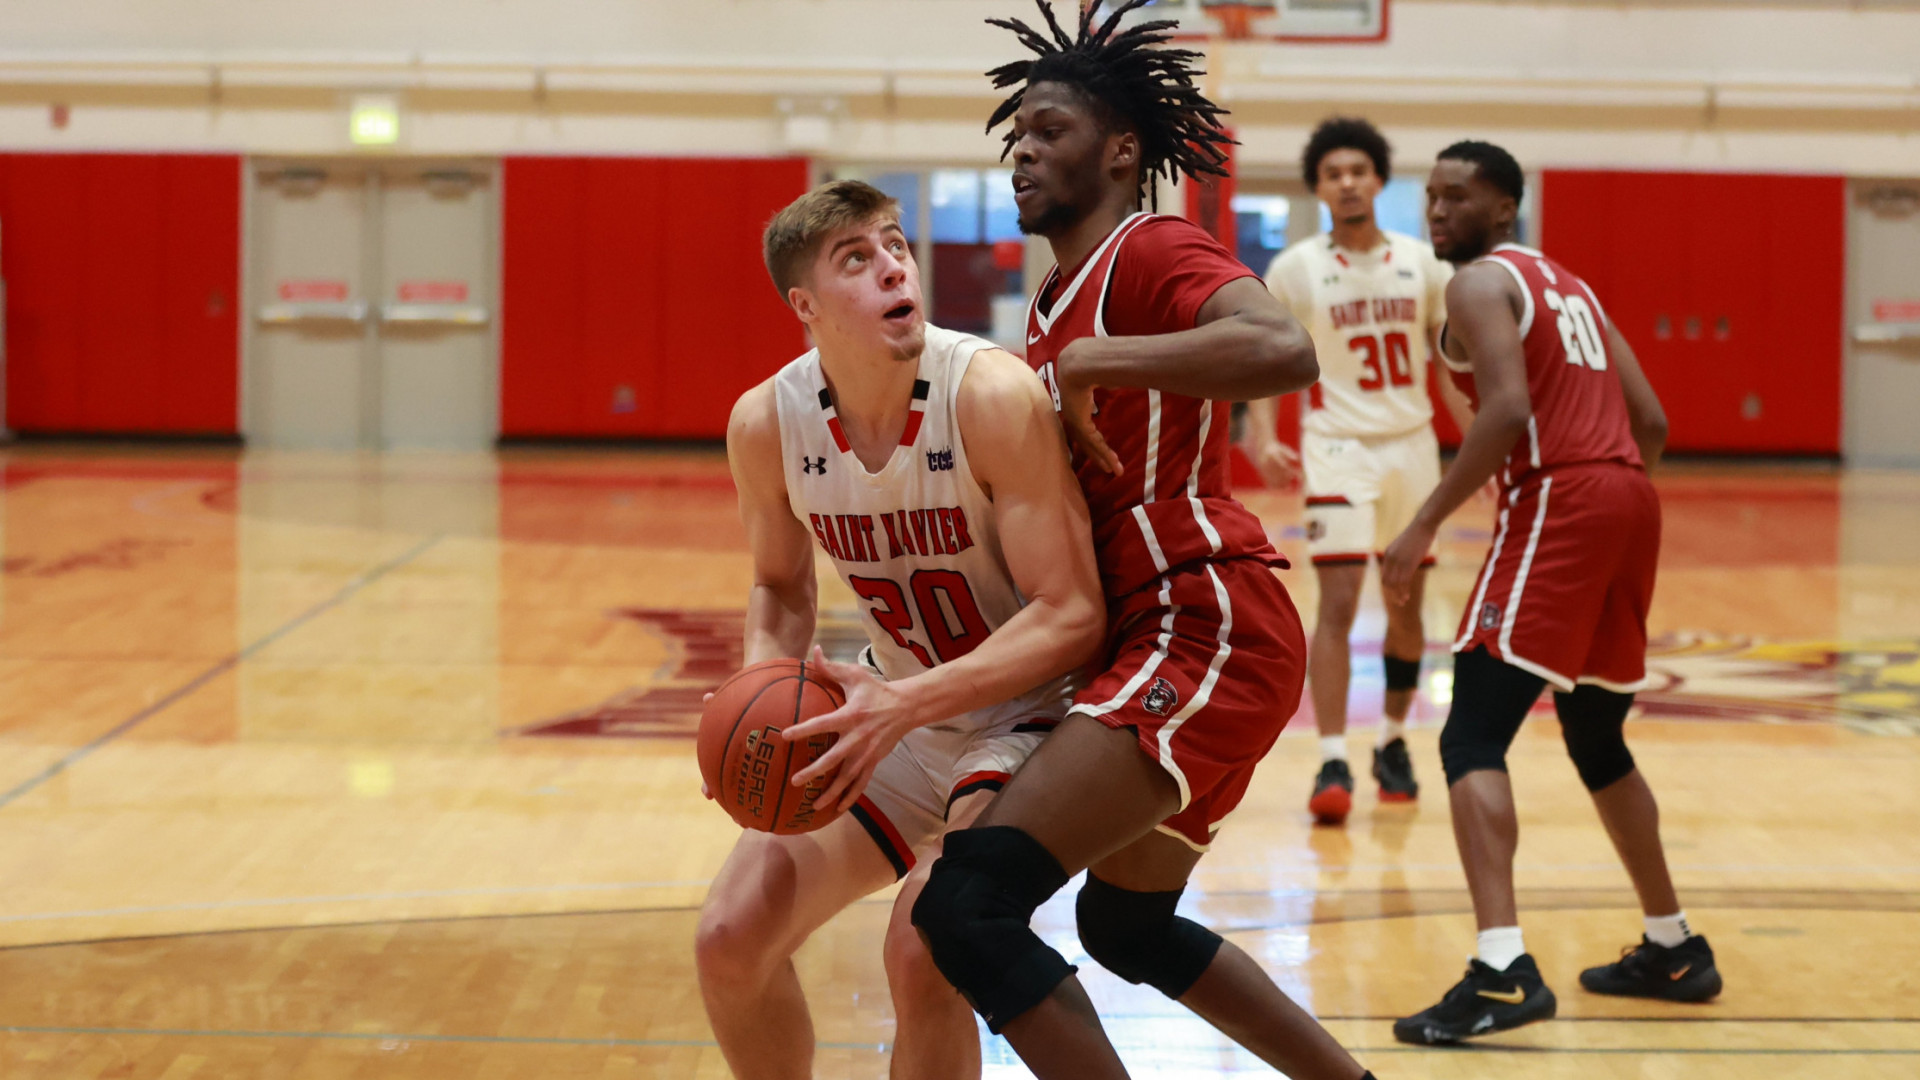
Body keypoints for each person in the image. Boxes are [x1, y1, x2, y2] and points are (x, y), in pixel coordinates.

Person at [844, 4, 1375, 1078]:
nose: (1023, 153)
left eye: (1049, 130)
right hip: (1150, 631)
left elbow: (1281, 347)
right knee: (1122, 930)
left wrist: (1095, 362)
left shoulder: (1149, 248)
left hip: (1201, 617)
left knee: (971, 906)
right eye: (1017, 139)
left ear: (1122, 149)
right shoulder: (1054, 299)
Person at [694, 178, 1107, 1080]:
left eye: (896, 246)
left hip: (1029, 715)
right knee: (729, 938)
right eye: (858, 257)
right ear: (805, 306)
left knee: (926, 951)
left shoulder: (988, 393)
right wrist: (769, 702)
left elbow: (1073, 614)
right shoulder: (767, 423)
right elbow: (777, 583)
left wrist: (901, 703)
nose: (892, 266)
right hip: (897, 711)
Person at [1381, 141, 1722, 1045]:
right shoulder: (1573, 286)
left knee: (1471, 733)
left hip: (1561, 496)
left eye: (1460, 196)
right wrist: (1614, 497)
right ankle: (1673, 945)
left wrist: (1422, 525)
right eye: (1431, 195)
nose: (1438, 209)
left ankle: (1500, 973)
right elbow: (1651, 420)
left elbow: (1506, 412)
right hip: (1627, 496)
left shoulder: (1479, 284)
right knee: (1597, 734)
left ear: (1505, 207)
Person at [1243, 116, 1471, 825]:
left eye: (1357, 171)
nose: (1346, 183)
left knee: (1406, 608)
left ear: (1378, 180)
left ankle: (1395, 740)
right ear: (1318, 187)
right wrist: (1258, 431)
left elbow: (1451, 367)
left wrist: (1483, 449)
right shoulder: (1297, 268)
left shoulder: (1423, 262)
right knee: (1338, 605)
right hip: (1336, 444)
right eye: (1332, 174)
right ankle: (1334, 756)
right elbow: (1268, 355)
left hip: (1410, 446)